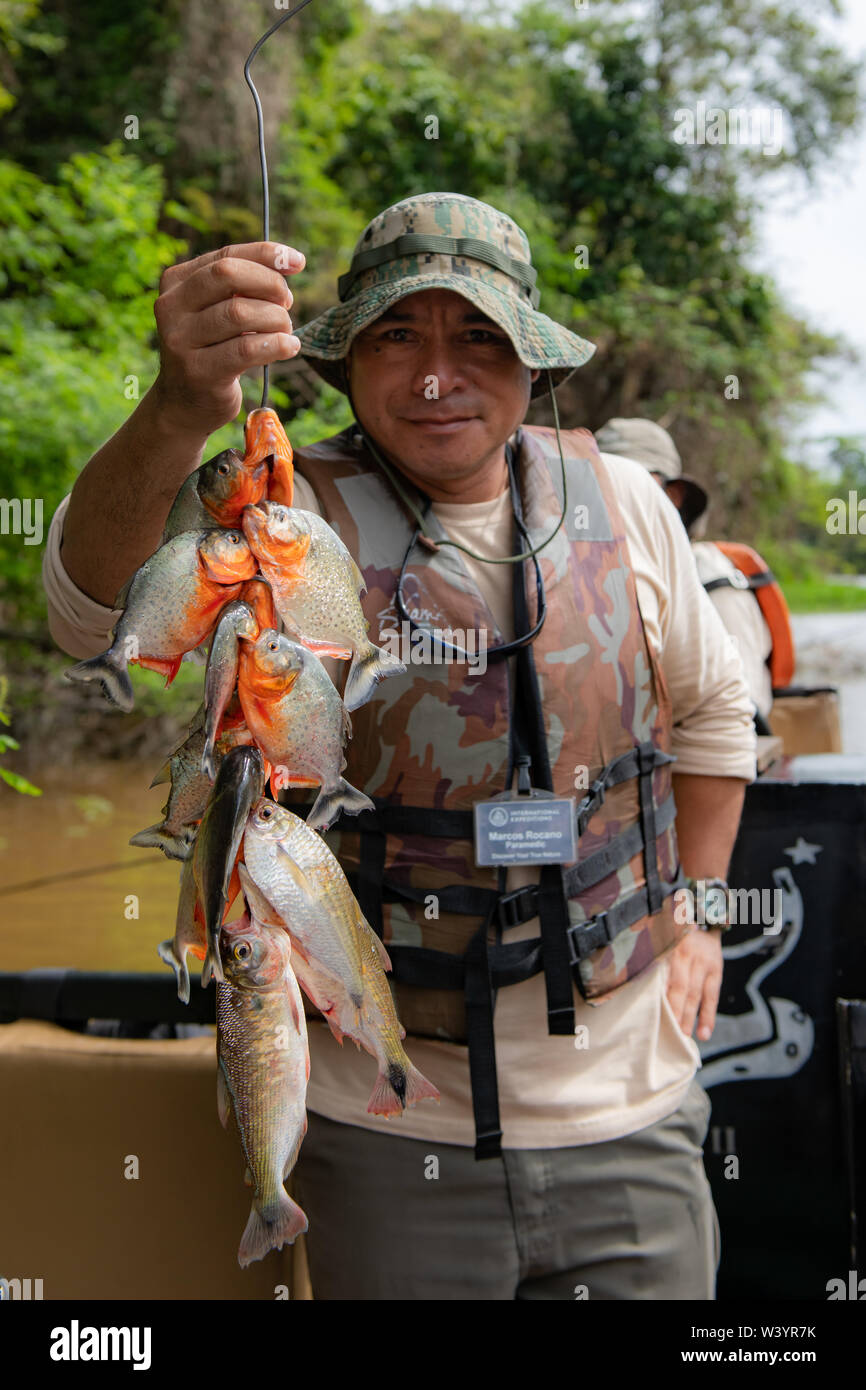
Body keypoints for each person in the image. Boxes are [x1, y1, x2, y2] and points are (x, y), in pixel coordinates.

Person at [43, 192, 757, 1301]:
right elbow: (89, 614)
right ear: (343, 361)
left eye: (476, 336)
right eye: (396, 336)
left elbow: (715, 715)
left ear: (530, 358)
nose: (436, 374)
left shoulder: (623, 501)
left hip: (632, 1109)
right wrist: (180, 408)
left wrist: (704, 912)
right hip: (382, 1128)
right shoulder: (272, 517)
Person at [595, 417, 787, 726]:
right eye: (602, 482)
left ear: (672, 497)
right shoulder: (590, 580)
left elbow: (738, 716)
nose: (618, 495)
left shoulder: (712, 583)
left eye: (635, 481)